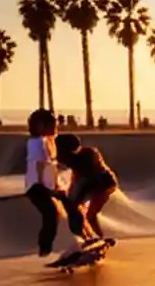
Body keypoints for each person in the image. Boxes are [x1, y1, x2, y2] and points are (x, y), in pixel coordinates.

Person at [54, 133, 119, 240]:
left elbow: (82, 181)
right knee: (81, 211)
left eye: (61, 158)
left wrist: (73, 199)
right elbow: (76, 180)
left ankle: (93, 237)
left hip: (103, 184)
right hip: (100, 183)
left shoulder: (86, 157)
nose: (62, 161)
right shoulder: (82, 157)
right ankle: (89, 236)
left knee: (86, 213)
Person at [24, 109, 63, 257]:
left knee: (60, 209)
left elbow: (51, 166)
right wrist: (45, 187)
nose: (56, 128)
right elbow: (40, 164)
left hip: (44, 186)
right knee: (51, 213)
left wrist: (56, 185)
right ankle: (44, 249)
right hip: (37, 187)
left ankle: (83, 235)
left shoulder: (46, 142)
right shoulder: (37, 142)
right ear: (42, 126)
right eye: (53, 125)